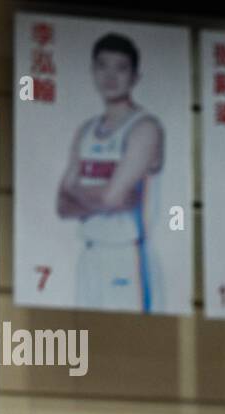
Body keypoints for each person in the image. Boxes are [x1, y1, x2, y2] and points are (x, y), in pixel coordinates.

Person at [56, 32, 165, 312]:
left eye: (121, 67)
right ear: (92, 71)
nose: (110, 76)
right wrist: (101, 197)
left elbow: (111, 199)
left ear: (135, 76)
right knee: (80, 347)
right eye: (103, 66)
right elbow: (62, 205)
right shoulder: (86, 131)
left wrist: (80, 194)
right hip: (89, 254)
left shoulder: (145, 127)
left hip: (127, 256)